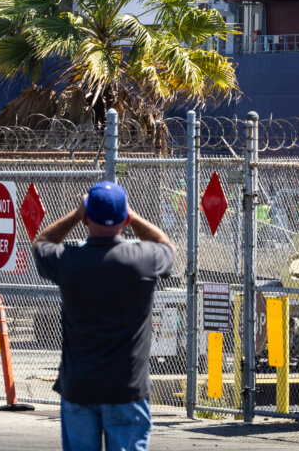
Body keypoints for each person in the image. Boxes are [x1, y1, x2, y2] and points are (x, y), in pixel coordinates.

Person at [32, 181, 176, 451]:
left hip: (79, 386)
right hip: (127, 386)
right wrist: (133, 218)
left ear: (87, 218)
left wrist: (76, 215)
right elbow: (166, 245)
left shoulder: (69, 261)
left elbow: (41, 243)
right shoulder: (143, 260)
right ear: (125, 217)